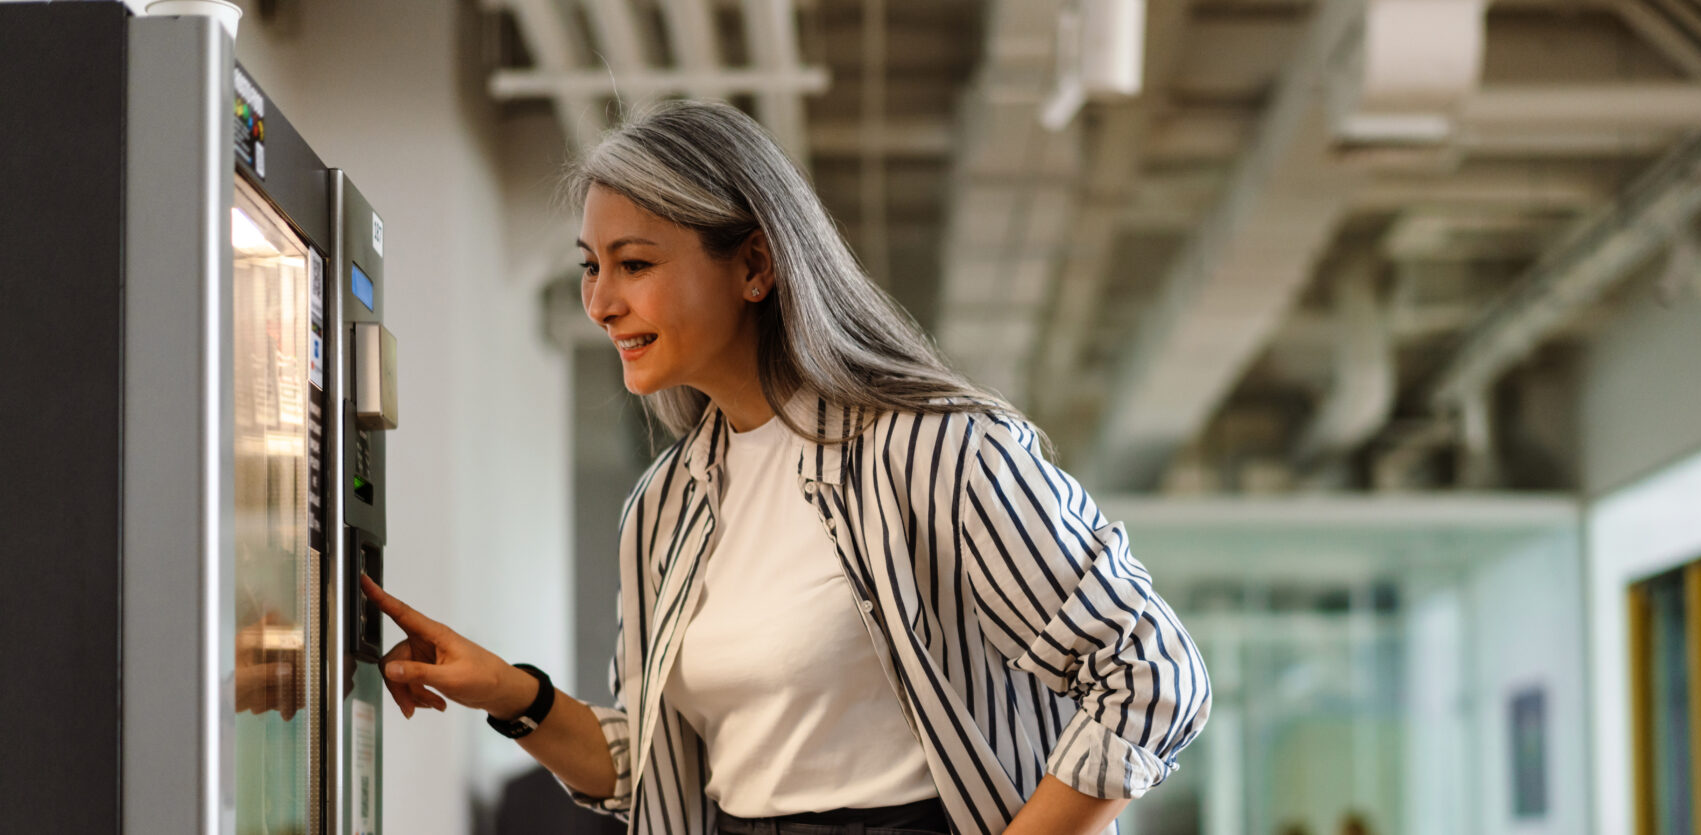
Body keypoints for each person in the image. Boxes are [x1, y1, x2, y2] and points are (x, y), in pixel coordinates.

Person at [359, 99, 1210, 835]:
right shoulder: (663, 509)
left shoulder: (934, 449)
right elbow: (653, 775)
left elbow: (1151, 674)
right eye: (590, 266)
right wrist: (508, 691)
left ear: (756, 265)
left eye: (635, 263)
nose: (601, 301)